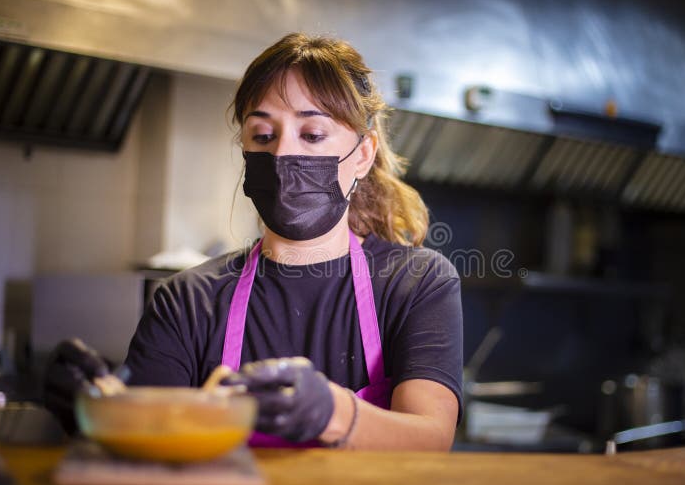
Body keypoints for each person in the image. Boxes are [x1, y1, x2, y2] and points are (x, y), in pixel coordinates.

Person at [44, 33, 463, 450]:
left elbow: (430, 439)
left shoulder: (416, 282)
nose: (281, 155)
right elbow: (147, 441)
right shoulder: (188, 300)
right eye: (263, 135)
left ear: (362, 154)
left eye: (312, 134)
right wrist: (98, 415)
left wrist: (333, 413)